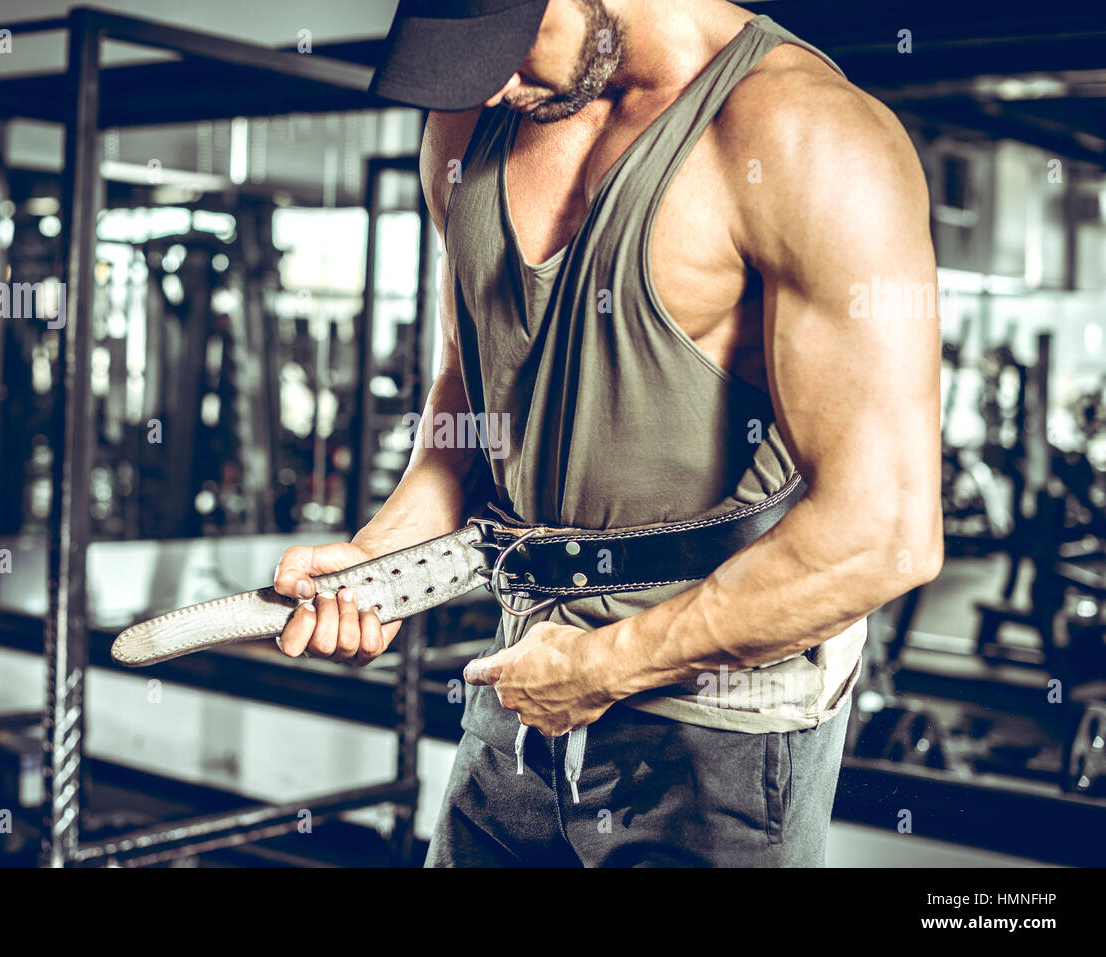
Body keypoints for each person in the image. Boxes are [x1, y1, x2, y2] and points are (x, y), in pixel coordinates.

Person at [272, 0, 942, 866]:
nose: (496, 83)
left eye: (509, 47)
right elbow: (477, 378)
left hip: (718, 730)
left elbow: (884, 536)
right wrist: (388, 551)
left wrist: (604, 666)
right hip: (524, 681)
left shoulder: (805, 133)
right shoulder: (476, 111)